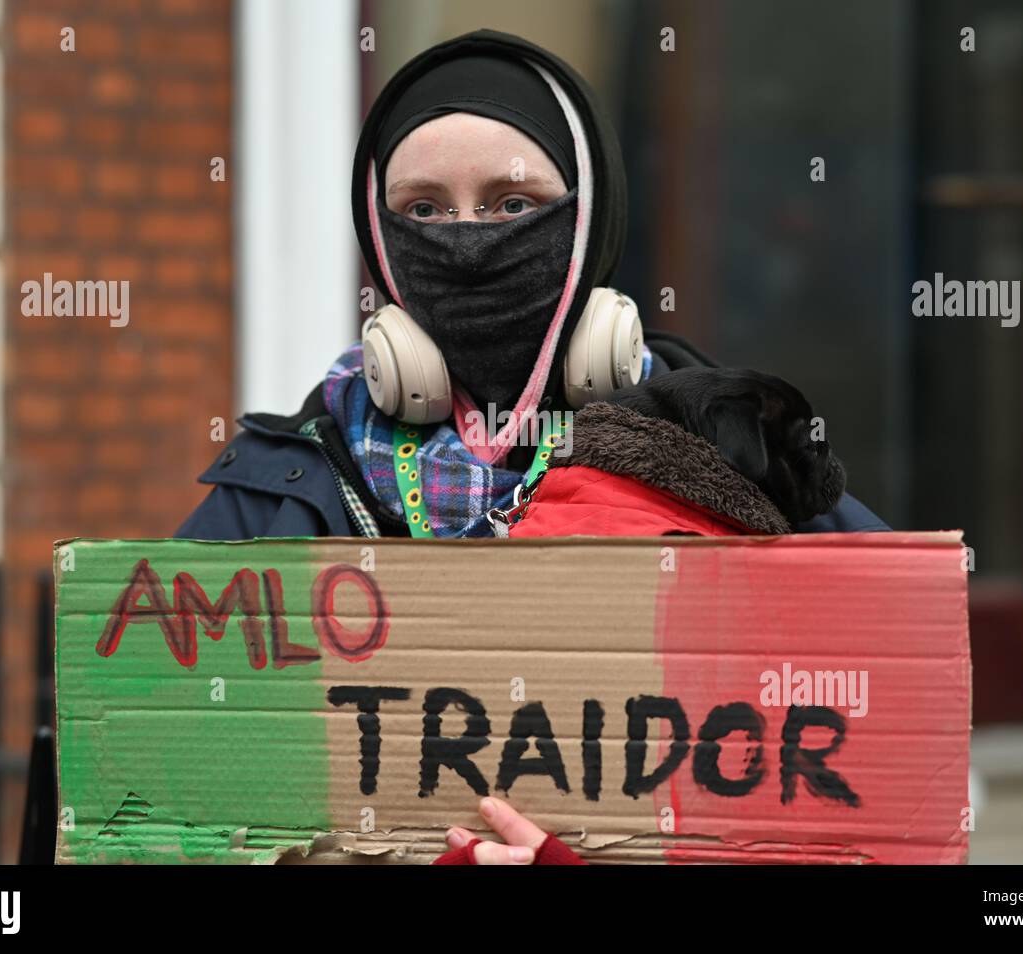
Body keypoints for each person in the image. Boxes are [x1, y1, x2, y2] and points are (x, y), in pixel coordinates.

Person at [174, 28, 888, 864]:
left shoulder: (746, 465)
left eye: (513, 205)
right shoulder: (272, 499)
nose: (467, 237)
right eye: (423, 209)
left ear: (588, 224)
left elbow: (875, 776)